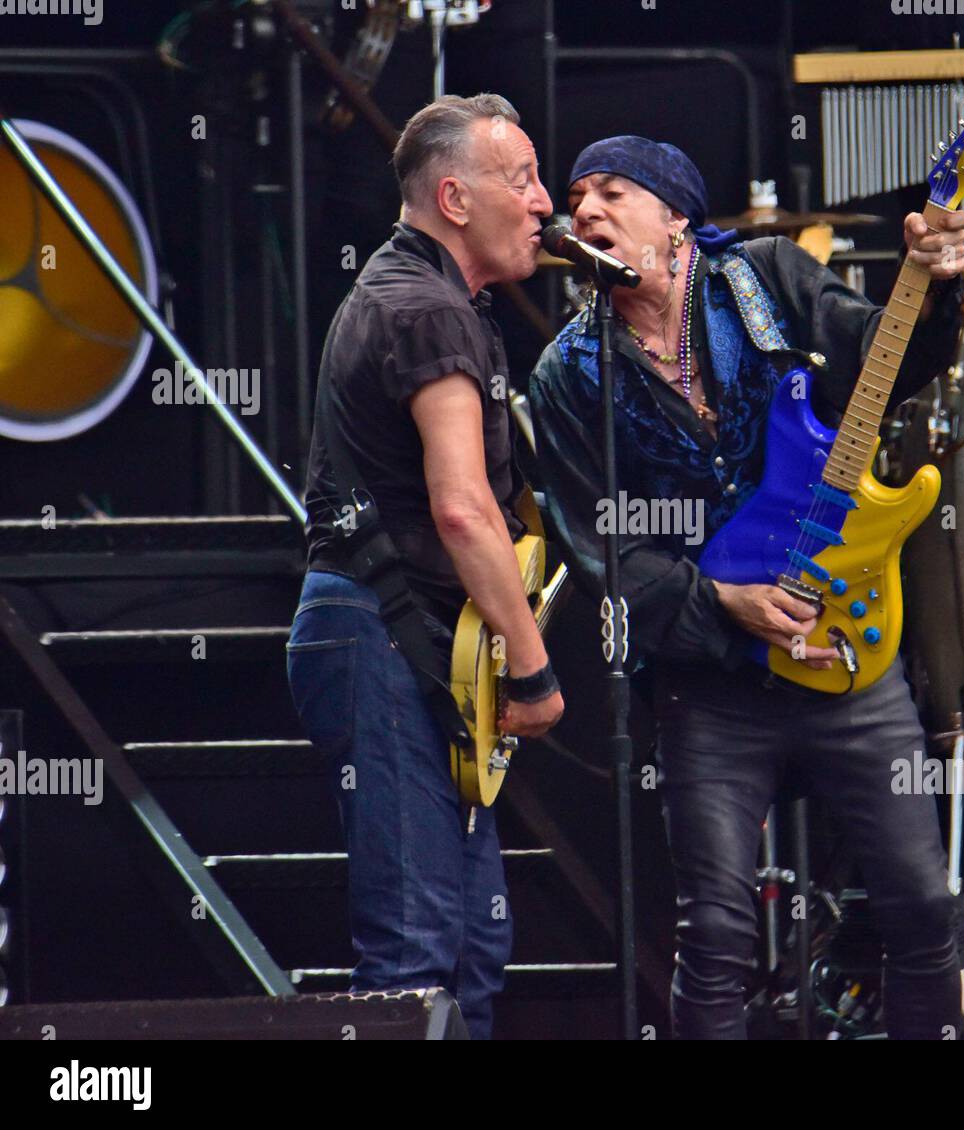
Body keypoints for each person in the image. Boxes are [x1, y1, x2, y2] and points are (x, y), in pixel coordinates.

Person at [529, 135, 964, 1039]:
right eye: (577, 199)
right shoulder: (568, 374)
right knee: (717, 934)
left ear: (676, 217)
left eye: (613, 192)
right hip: (711, 679)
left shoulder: (767, 278)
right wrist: (718, 604)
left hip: (846, 645)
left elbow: (889, 361)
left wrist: (936, 279)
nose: (586, 212)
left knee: (923, 906)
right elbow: (597, 550)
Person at [286, 94, 563, 1040]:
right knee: (415, 957)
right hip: (380, 638)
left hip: (403, 643)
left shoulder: (429, 300)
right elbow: (461, 507)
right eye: (520, 180)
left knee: (466, 956)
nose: (545, 202)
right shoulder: (427, 311)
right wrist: (534, 670)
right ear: (453, 196)